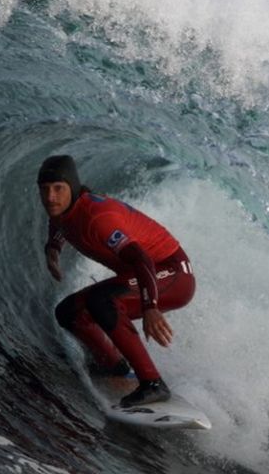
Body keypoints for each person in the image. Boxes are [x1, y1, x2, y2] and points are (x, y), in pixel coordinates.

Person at [38, 155, 195, 407]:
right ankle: (114, 366)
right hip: (144, 273)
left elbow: (142, 260)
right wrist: (53, 250)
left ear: (73, 188)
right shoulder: (65, 209)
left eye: (58, 189)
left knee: (101, 301)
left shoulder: (98, 218)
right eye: (44, 190)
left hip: (172, 273)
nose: (50, 197)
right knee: (69, 312)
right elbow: (58, 224)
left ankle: (153, 383)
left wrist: (150, 306)